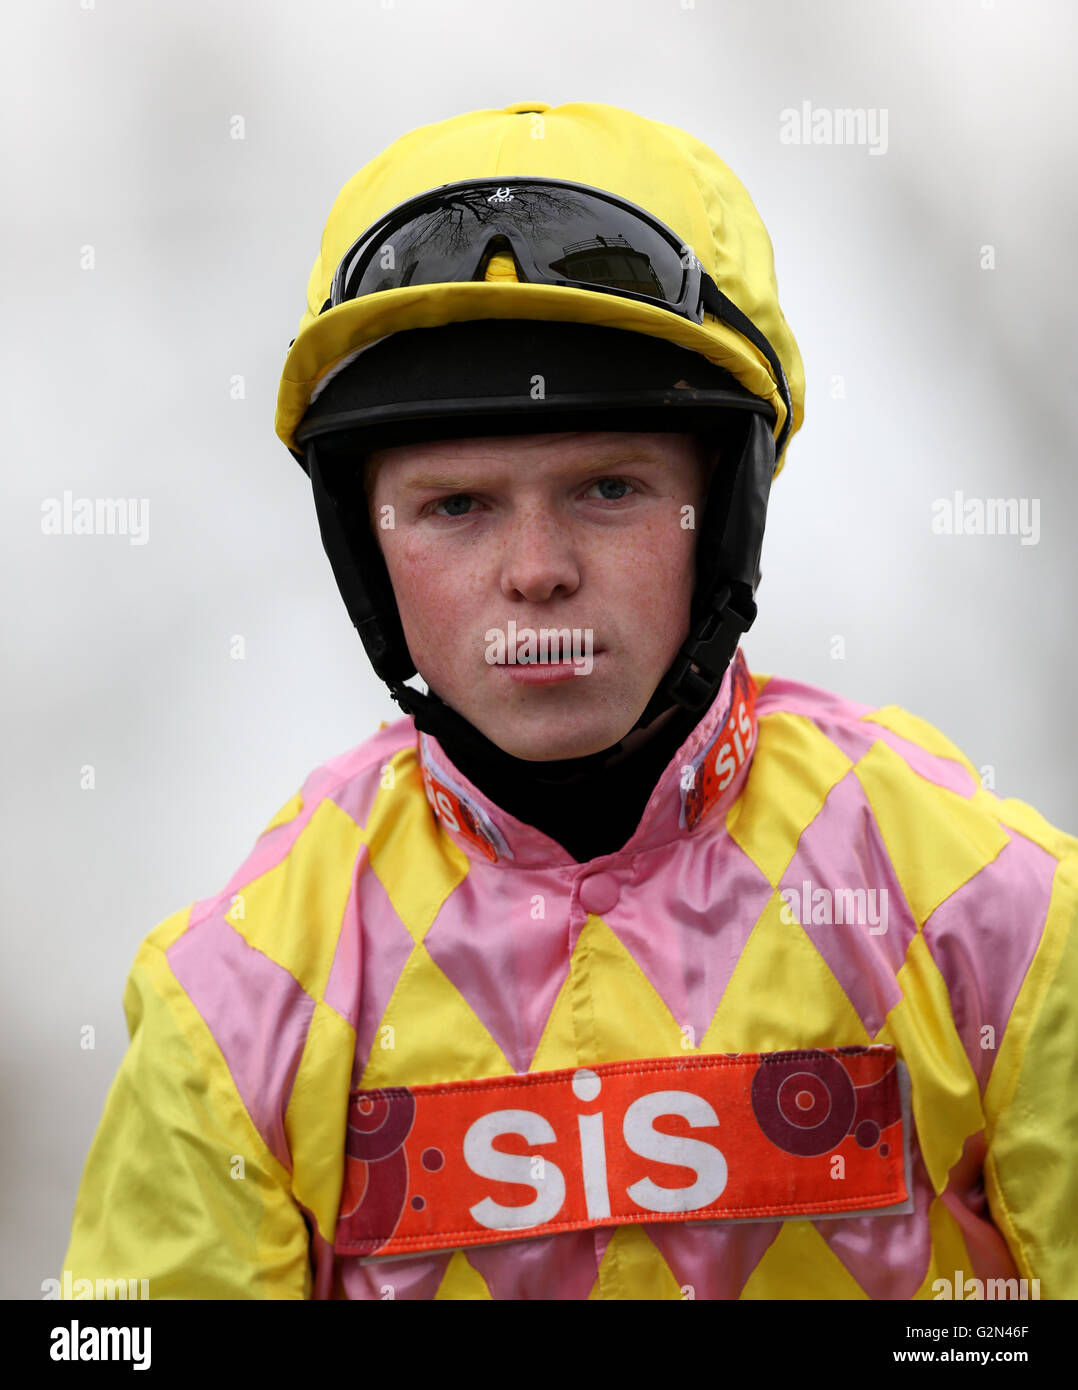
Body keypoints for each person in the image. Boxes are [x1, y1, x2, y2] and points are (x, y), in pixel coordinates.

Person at [62, 100, 1077, 1301]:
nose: (536, 568)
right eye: (457, 506)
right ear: (363, 547)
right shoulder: (238, 995)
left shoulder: (994, 913)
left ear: (725, 516)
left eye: (607, 488)